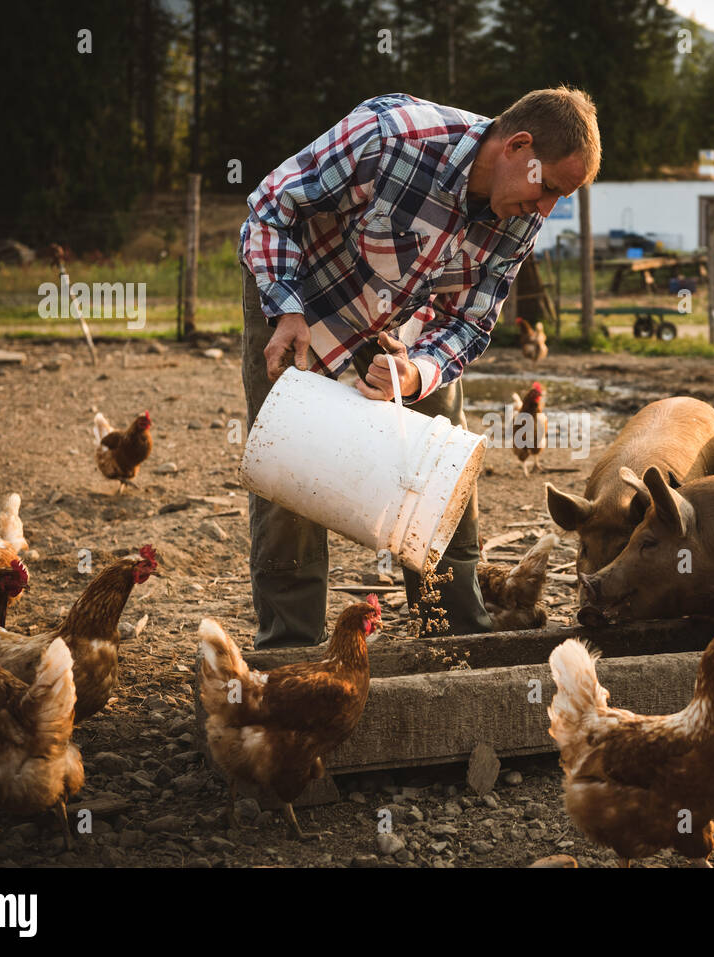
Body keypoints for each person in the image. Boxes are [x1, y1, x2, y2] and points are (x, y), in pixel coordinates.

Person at [239, 87, 601, 648]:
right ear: (518, 146)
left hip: (404, 331)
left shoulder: (519, 215)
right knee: (290, 472)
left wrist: (417, 373)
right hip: (303, 303)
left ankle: (455, 639)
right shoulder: (394, 138)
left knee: (442, 472)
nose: (546, 209)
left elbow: (472, 321)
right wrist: (285, 310)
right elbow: (272, 208)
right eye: (548, 187)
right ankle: (292, 657)